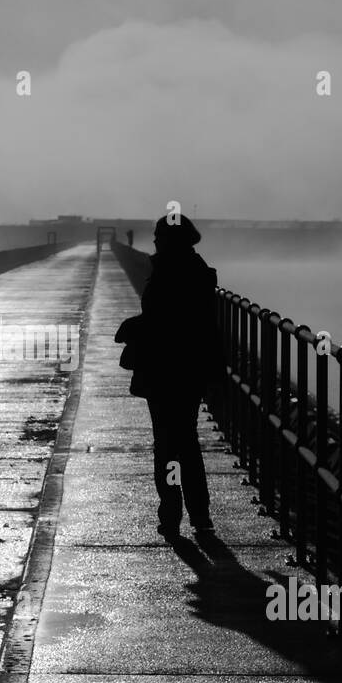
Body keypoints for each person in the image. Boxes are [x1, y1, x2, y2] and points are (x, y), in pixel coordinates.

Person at [129, 214, 223, 541]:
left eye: (158, 234)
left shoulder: (169, 271)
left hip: (165, 369)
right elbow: (197, 323)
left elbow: (167, 321)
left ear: (171, 239)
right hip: (189, 369)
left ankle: (171, 515)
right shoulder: (196, 269)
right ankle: (199, 515)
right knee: (186, 442)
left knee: (168, 446)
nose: (153, 239)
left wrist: (137, 326)